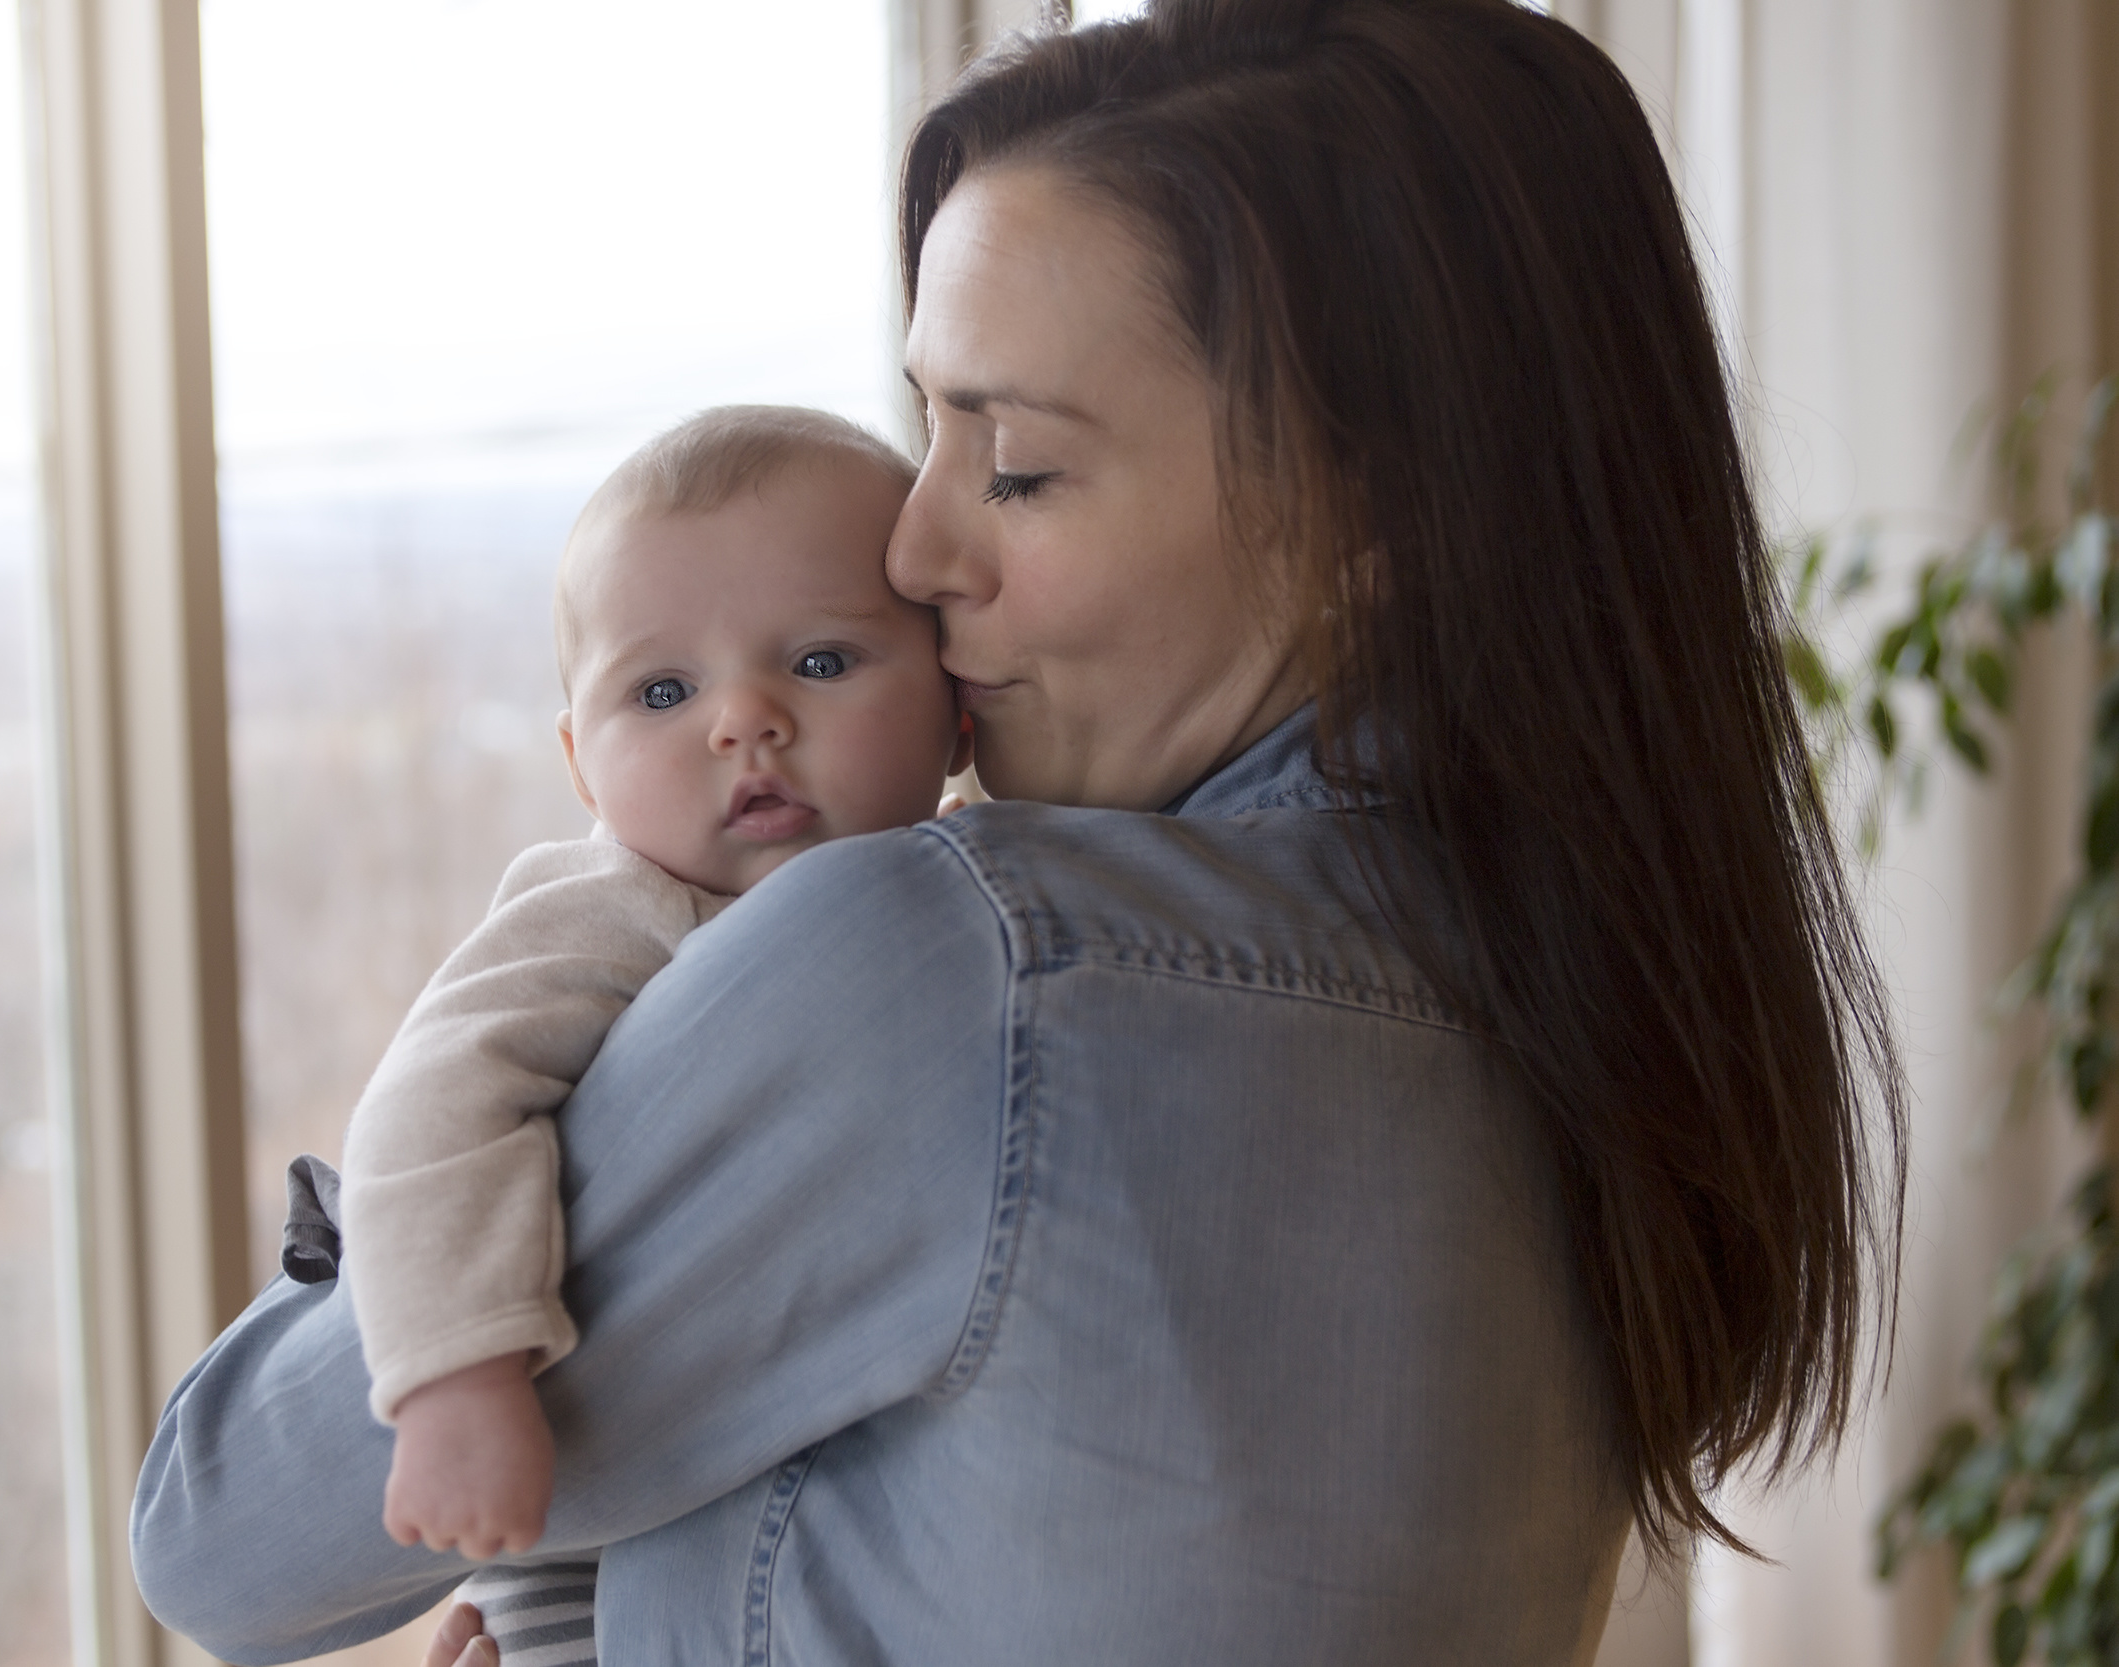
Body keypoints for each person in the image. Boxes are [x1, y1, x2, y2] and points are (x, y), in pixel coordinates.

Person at [132, 3, 1904, 1663]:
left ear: (1376, 518)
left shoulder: (963, 970)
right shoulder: (1582, 991)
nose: (914, 550)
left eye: (1021, 465)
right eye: (930, 427)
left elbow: (218, 1529)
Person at [333, 404, 966, 1665]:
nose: (745, 720)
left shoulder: (983, 889)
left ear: (957, 704)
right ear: (582, 765)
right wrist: (457, 1377)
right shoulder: (610, 912)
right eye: (664, 691)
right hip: (598, 1537)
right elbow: (431, 1105)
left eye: (822, 661)